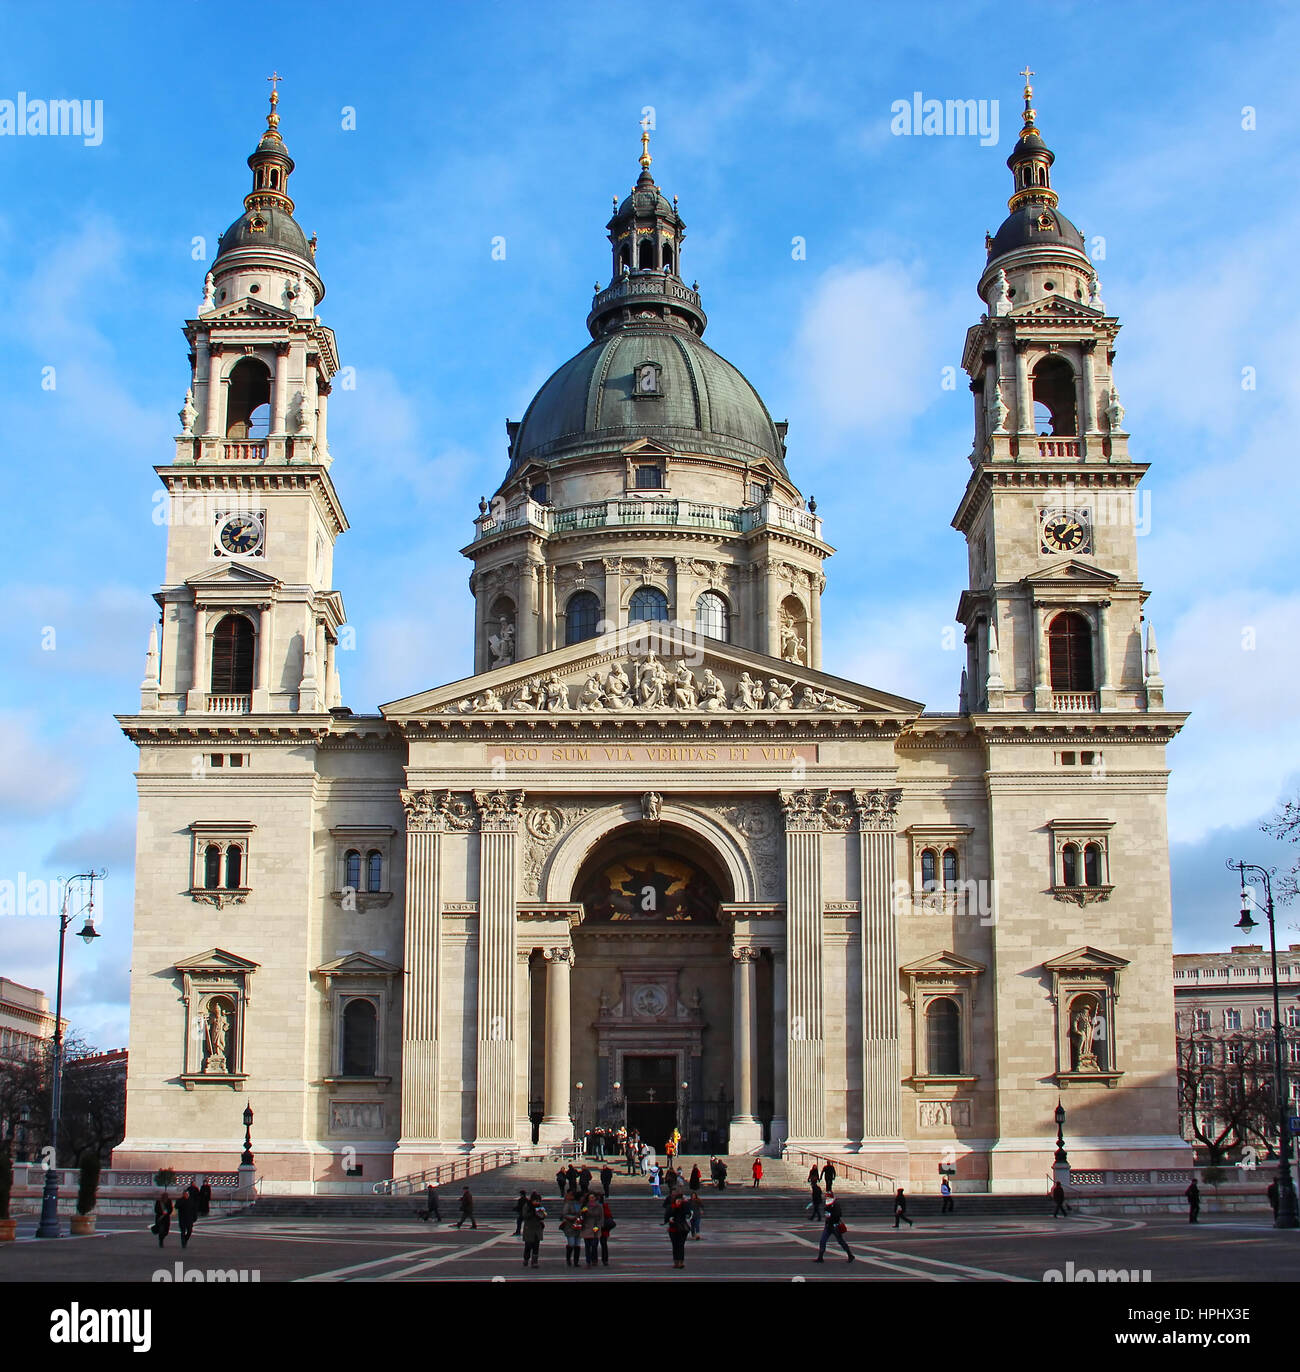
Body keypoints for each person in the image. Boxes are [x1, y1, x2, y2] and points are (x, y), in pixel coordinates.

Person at [815, 1191, 854, 1263]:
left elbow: (838, 1214)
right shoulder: (827, 1204)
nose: (827, 1198)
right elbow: (827, 1215)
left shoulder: (835, 1204)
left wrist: (831, 1213)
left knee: (840, 1241)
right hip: (828, 1225)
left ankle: (850, 1255)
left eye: (828, 1196)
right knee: (822, 1240)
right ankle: (820, 1257)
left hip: (835, 1226)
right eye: (826, 1196)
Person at [666, 1189, 691, 1269]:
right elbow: (666, 1216)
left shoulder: (684, 1207)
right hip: (673, 1229)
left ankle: (681, 1262)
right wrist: (669, 1219)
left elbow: (688, 1213)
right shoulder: (671, 1207)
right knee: (675, 1246)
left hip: (682, 1229)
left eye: (680, 1200)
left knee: (681, 1246)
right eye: (678, 1200)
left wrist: (686, 1202)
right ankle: (676, 1262)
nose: (679, 1202)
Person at [521, 1192, 546, 1268]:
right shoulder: (527, 1206)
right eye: (536, 1201)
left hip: (537, 1228)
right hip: (529, 1228)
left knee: (536, 1245)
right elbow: (524, 1215)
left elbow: (543, 1215)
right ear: (532, 1200)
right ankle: (526, 1258)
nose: (537, 1202)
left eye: (539, 1201)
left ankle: (534, 1261)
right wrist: (533, 1213)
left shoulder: (540, 1207)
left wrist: (542, 1215)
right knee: (528, 1245)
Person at [561, 1191, 583, 1267]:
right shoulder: (569, 1204)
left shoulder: (581, 1205)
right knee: (571, 1243)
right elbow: (564, 1214)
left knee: (577, 1244)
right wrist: (573, 1217)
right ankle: (568, 1259)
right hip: (570, 1226)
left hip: (578, 1226)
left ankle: (576, 1261)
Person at [599, 1193, 615, 1266]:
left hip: (602, 1228)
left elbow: (608, 1216)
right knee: (600, 1243)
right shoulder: (604, 1206)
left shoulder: (604, 1206)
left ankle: (604, 1259)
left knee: (602, 1243)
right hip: (599, 1228)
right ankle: (602, 1259)